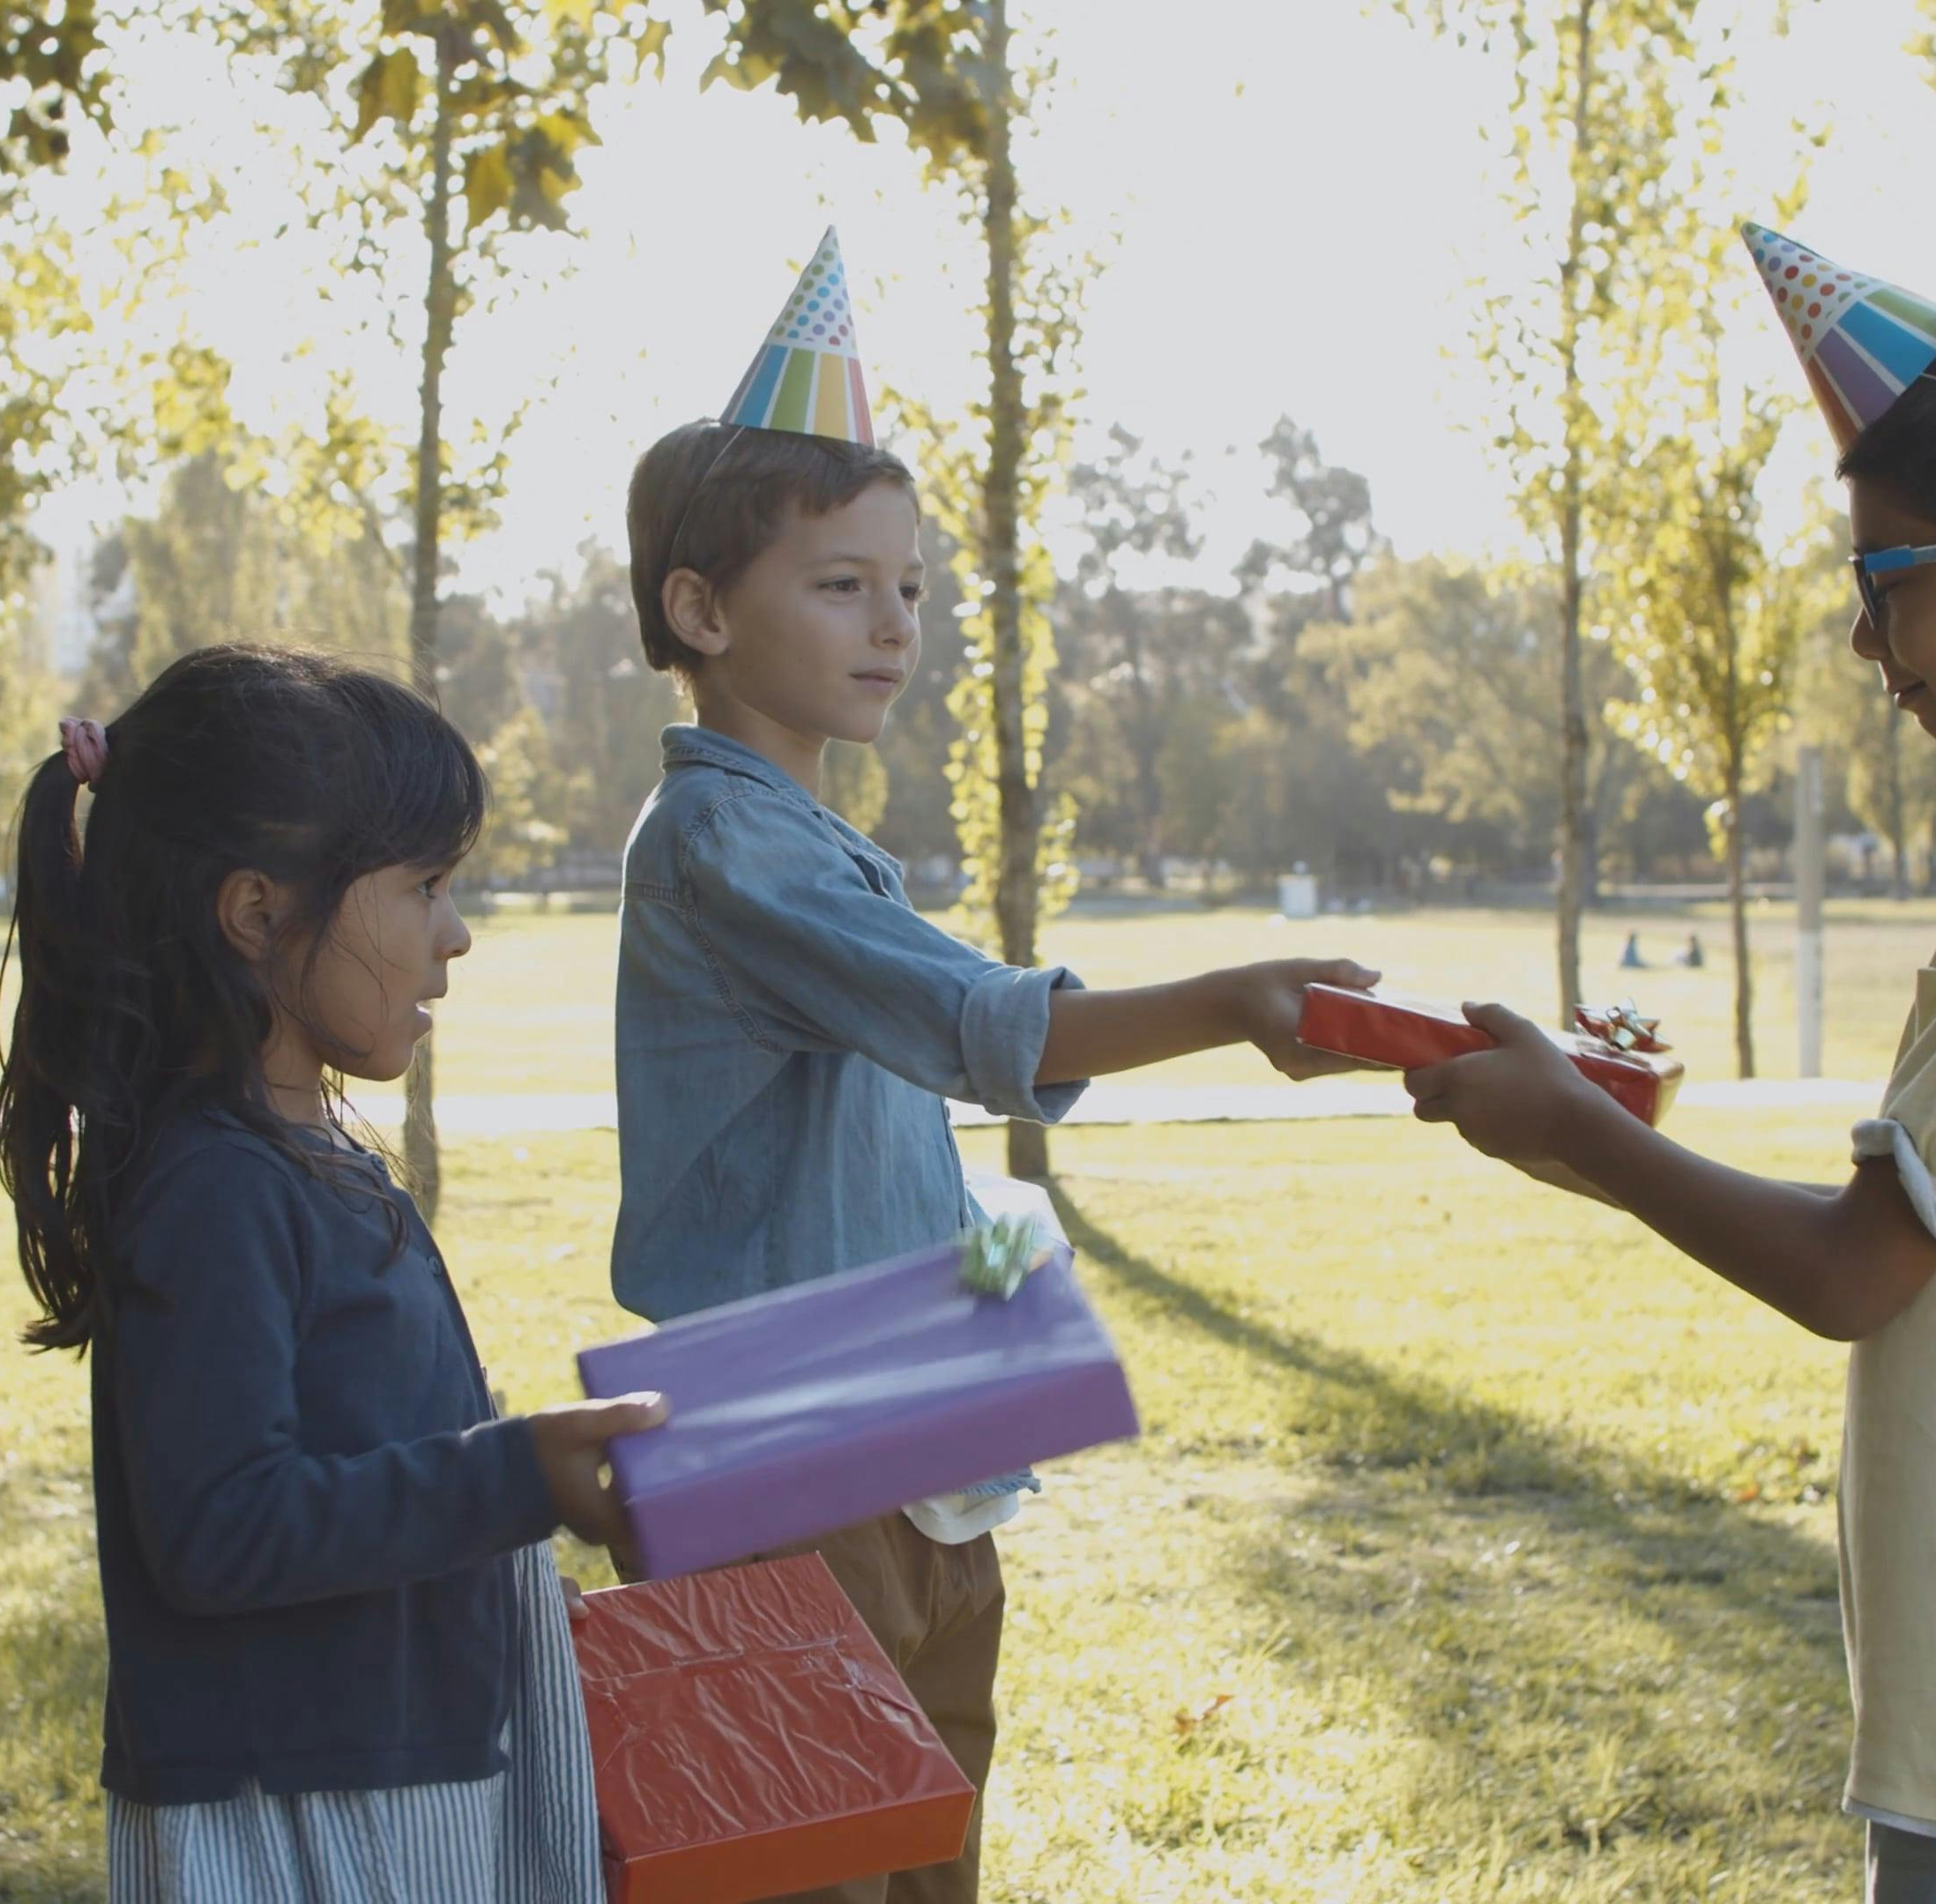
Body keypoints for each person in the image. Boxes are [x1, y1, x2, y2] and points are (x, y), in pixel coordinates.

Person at [1407, 231, 1936, 1902]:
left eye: (1888, 587)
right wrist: (1573, 1133)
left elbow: (1852, 1272)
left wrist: (1577, 1122)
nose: (1872, 648)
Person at [609, 230, 1374, 1904]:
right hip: (783, 1447)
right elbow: (982, 1023)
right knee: (797, 1864)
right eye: (840, 583)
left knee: (929, 1851)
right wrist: (1235, 996)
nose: (894, 625)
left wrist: (1003, 1312)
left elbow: (907, 1131)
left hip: (908, 1431)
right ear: (700, 607)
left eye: (912, 587)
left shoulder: (815, 843)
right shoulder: (727, 848)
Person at [0, 644, 665, 1904]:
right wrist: (518, 1474)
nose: (455, 935)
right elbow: (220, 1528)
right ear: (256, 912)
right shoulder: (214, 1188)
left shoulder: (308, 1155)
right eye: (424, 887)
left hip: (403, 1766)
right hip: (311, 1810)